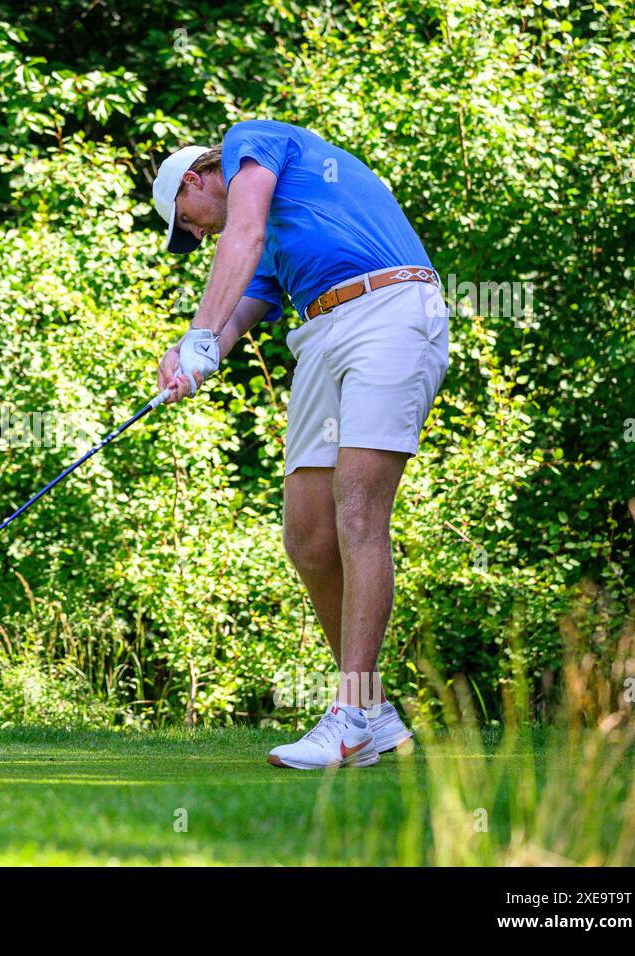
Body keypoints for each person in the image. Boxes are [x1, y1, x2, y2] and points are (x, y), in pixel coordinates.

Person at [151, 120, 450, 769]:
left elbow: (242, 230)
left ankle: (349, 714)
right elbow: (231, 320)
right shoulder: (267, 254)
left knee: (357, 510)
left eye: (188, 221)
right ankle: (374, 715)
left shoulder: (247, 141)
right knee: (308, 534)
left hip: (390, 307)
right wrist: (190, 357)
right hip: (320, 333)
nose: (197, 236)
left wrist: (200, 330)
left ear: (197, 179)